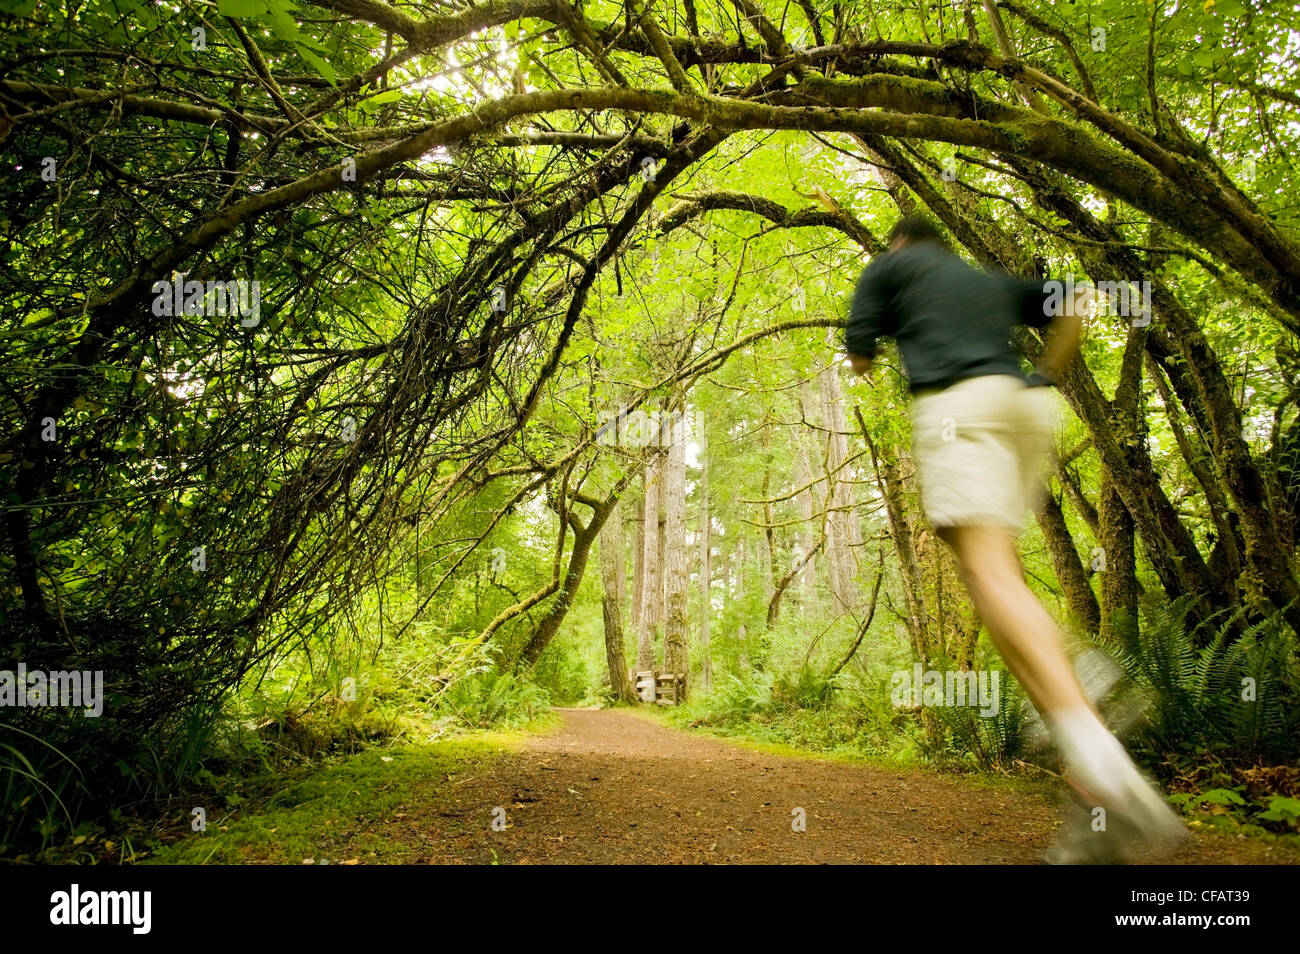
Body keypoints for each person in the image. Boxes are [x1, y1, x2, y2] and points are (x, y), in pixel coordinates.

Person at [845, 215, 1186, 863]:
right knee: (993, 572)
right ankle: (1088, 763)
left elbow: (859, 355)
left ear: (899, 245)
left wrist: (880, 340)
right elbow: (1078, 300)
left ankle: (1092, 726)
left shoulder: (889, 268)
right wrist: (1047, 374)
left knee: (990, 574)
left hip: (958, 410)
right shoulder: (984, 281)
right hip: (1025, 407)